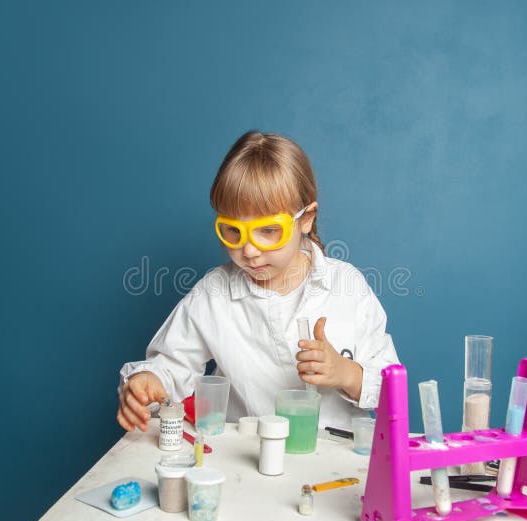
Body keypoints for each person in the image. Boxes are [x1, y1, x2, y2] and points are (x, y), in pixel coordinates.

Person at [117, 130, 399, 433]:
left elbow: (391, 394)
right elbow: (171, 366)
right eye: (233, 231)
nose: (249, 250)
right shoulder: (214, 294)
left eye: (268, 230)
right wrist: (147, 382)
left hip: (336, 466)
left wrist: (345, 374)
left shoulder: (348, 288)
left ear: (305, 219)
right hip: (246, 464)